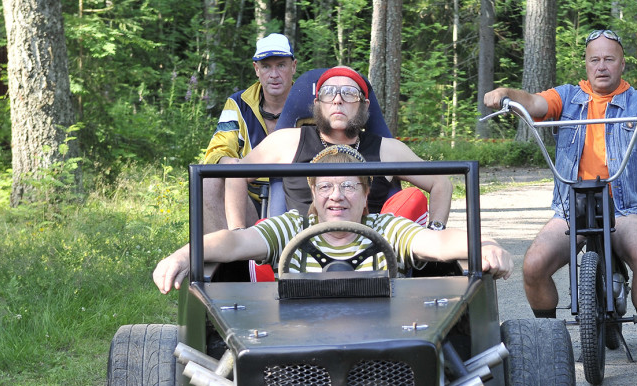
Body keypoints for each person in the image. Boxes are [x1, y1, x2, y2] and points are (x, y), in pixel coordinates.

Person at [483, 29, 637, 368]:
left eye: (609, 59)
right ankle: (548, 336)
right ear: (587, 63)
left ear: (622, 63)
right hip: (570, 206)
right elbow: (532, 104)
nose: (602, 66)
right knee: (533, 266)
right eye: (595, 59)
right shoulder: (567, 97)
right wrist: (506, 93)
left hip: (621, 208)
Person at [154, 145, 511, 293]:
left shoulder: (386, 229)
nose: (336, 196)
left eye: (348, 186)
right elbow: (233, 242)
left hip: (385, 346)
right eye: (325, 186)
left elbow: (438, 241)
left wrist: (485, 244)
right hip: (296, 351)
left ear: (365, 191)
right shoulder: (293, 227)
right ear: (313, 191)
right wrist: (183, 255)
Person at [225, 66, 452, 231]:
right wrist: (236, 232)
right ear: (317, 105)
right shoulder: (286, 141)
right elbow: (235, 176)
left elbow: (441, 181)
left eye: (349, 94)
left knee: (412, 198)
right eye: (328, 93)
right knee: (262, 233)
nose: (337, 100)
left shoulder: (387, 149)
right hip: (299, 253)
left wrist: (437, 229)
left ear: (364, 105)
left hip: (374, 257)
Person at [201, 33, 298, 233]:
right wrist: (231, 163)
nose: (274, 74)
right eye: (266, 66)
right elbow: (216, 151)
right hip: (247, 198)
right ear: (256, 70)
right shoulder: (238, 103)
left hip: (296, 198)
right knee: (209, 181)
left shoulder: (310, 104)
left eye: (281, 65)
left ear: (293, 67)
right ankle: (228, 257)